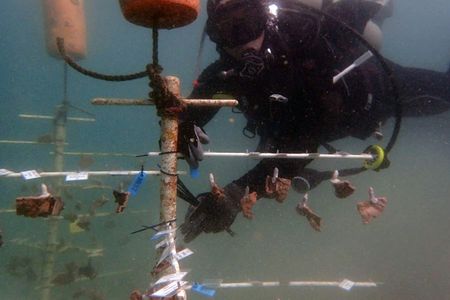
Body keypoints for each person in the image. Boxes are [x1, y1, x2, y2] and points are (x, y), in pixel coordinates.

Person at [178, 0, 450, 242]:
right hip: (301, 128)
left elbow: (304, 141)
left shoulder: (304, 40)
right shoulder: (227, 74)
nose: (243, 42)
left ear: (264, 18)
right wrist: (182, 126)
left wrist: (236, 195)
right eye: (228, 30)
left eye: (248, 24)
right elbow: (191, 111)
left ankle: (382, 15)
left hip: (377, 94)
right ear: (216, 38)